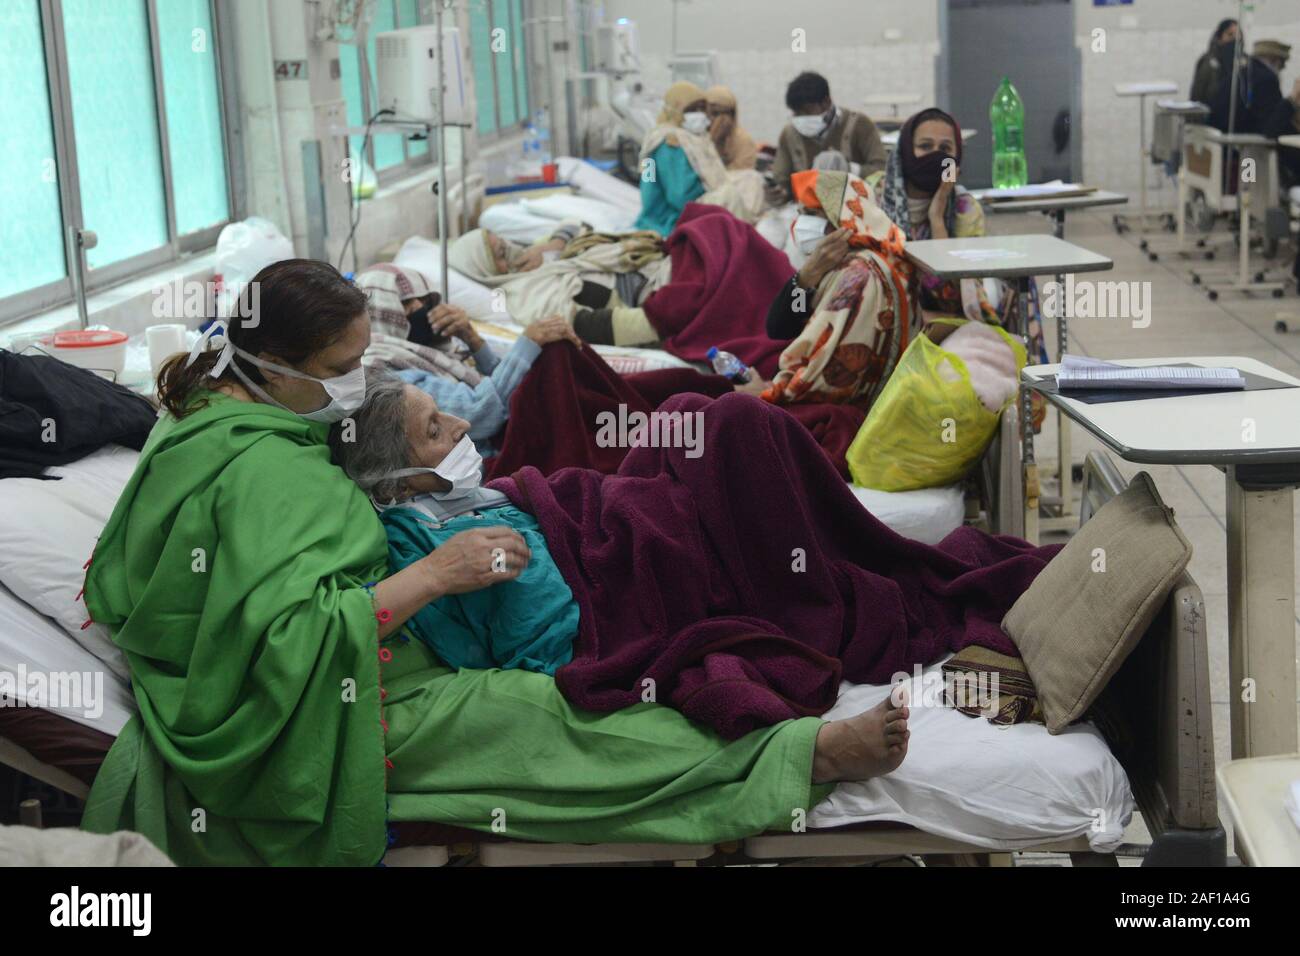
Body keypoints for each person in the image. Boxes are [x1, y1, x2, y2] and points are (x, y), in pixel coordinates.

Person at [79, 257, 916, 866]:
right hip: (346, 695)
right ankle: (802, 757)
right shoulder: (260, 466)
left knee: (704, 445)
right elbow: (286, 638)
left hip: (440, 610)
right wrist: (437, 575)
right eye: (341, 370)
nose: (354, 386)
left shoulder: (207, 424)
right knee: (553, 723)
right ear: (279, 363)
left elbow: (122, 584)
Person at [355, 263, 580, 456]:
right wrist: (527, 343)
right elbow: (481, 412)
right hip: (487, 461)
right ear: (377, 311)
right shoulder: (387, 372)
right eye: (405, 303)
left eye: (424, 301)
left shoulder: (433, 355)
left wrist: (473, 340)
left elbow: (501, 384)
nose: (419, 308)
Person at [447, 225, 669, 345]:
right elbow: (584, 325)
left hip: (654, 259)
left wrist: (552, 245)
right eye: (502, 252)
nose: (512, 248)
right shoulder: (525, 295)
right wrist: (664, 320)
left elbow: (574, 225)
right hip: (652, 292)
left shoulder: (534, 254)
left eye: (503, 240)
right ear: (490, 273)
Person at [636, 81, 766, 235]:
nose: (699, 114)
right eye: (692, 109)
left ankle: (745, 227)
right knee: (729, 195)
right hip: (667, 216)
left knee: (750, 178)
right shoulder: (670, 142)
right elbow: (679, 196)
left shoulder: (685, 137)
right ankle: (744, 238)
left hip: (681, 201)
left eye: (702, 109)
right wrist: (711, 190)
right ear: (676, 110)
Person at [768, 72, 887, 204]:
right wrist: (781, 192)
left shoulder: (859, 125)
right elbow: (782, 178)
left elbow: (881, 169)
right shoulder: (790, 133)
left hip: (854, 205)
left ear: (826, 102)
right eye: (797, 113)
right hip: (807, 209)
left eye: (807, 111)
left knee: (829, 160)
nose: (802, 118)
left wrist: (848, 169)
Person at [706, 85, 758, 170]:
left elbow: (741, 174)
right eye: (715, 113)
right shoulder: (699, 139)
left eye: (727, 113)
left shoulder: (744, 141)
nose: (721, 120)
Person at [1191, 19, 1240, 105]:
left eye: (1238, 35)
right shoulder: (1208, 63)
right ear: (1219, 38)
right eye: (1230, 34)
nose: (1234, 39)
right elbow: (1197, 95)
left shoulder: (1245, 63)